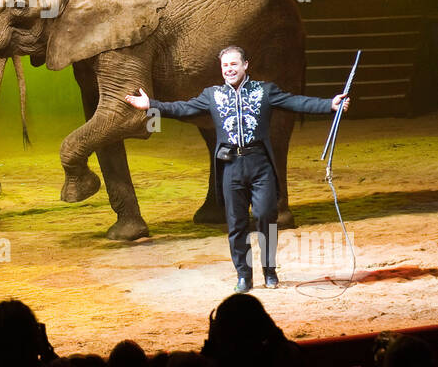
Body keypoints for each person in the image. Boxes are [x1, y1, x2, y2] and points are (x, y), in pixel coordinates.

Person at [125, 45, 350, 293]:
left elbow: (295, 101)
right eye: (225, 66)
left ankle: (269, 270)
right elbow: (183, 108)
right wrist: (151, 105)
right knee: (237, 224)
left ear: (245, 65)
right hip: (231, 167)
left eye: (234, 64)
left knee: (266, 216)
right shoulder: (212, 95)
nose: (229, 69)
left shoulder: (264, 91)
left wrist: (329, 104)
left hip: (260, 164)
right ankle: (244, 275)